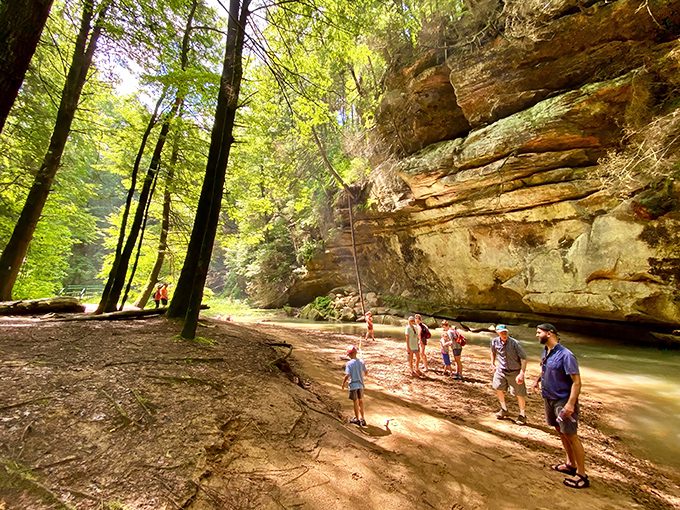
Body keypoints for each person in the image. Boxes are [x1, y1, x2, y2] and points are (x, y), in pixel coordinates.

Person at [531, 323, 589, 489]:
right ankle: (570, 464)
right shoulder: (546, 351)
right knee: (560, 431)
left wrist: (570, 404)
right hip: (549, 398)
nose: (537, 335)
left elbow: (577, 382)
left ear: (549, 334)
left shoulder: (566, 355)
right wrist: (537, 380)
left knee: (571, 435)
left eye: (539, 332)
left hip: (563, 401)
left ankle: (582, 475)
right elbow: (544, 368)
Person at [490, 325, 528, 425]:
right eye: (502, 332)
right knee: (498, 388)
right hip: (501, 370)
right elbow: (493, 352)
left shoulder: (515, 343)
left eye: (505, 332)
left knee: (519, 394)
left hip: (515, 371)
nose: (504, 334)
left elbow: (523, 359)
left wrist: (522, 373)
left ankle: (522, 415)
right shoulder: (494, 341)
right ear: (497, 333)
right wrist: (493, 363)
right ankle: (504, 409)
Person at [341, 345, 368, 426]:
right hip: (360, 385)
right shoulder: (361, 362)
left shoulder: (349, 363)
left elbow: (347, 375)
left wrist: (343, 383)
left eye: (349, 355)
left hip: (353, 385)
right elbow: (366, 372)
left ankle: (357, 419)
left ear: (350, 355)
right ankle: (362, 418)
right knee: (361, 402)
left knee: (355, 402)